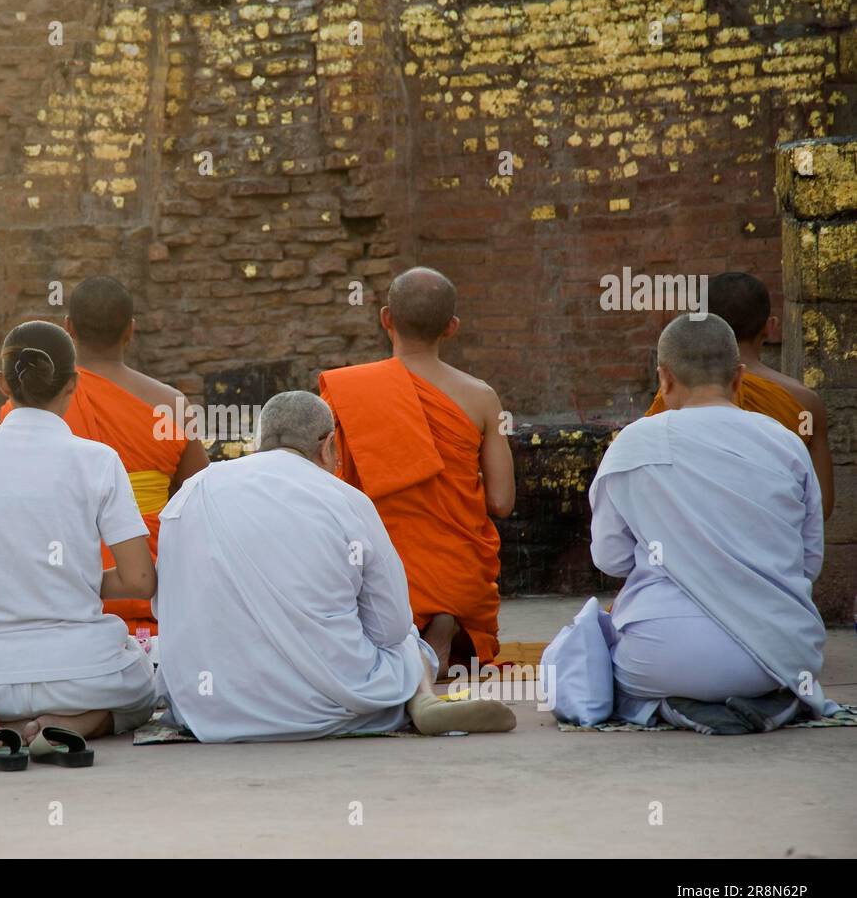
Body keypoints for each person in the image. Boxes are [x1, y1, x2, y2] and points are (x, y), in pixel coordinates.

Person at [154, 391, 517, 742]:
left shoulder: (192, 491)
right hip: (326, 707)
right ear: (329, 445)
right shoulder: (347, 500)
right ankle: (422, 699)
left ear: (256, 443)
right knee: (407, 641)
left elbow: (167, 604)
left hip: (209, 708)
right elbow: (389, 627)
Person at [568, 313, 838, 734]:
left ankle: (664, 708)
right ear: (739, 378)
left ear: (664, 377)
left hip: (662, 661)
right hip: (784, 658)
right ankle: (778, 705)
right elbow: (808, 562)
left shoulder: (633, 443)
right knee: (779, 670)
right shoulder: (786, 442)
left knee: (581, 648)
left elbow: (611, 560)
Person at [0, 320, 158, 746]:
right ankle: (72, 723)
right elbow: (140, 580)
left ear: (3, 383)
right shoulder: (98, 460)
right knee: (142, 687)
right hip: (84, 676)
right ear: (73, 384)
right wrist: (68, 580)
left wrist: (0, 582)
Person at [320, 267, 515, 672]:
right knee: (450, 580)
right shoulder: (481, 397)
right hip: (459, 572)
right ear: (452, 328)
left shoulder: (351, 393)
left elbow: (326, 486)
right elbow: (500, 501)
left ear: (386, 318)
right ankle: (445, 616)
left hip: (381, 567)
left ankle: (411, 624)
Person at [0, 277, 208, 647]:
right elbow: (200, 499)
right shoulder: (171, 405)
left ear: (69, 328)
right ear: (131, 330)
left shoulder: (27, 407)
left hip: (59, 575)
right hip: (149, 576)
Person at [645, 271, 834, 518]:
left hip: (691, 540)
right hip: (776, 545)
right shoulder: (804, 403)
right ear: (770, 327)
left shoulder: (675, 393)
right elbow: (821, 505)